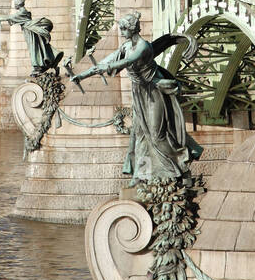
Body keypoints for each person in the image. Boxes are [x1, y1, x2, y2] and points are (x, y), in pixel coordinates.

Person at [71, 12, 202, 183]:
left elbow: (126, 62)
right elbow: (106, 61)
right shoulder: (126, 47)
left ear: (132, 29)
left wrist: (107, 66)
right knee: (140, 135)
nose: (121, 32)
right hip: (139, 93)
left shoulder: (143, 46)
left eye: (124, 29)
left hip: (154, 92)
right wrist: (82, 76)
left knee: (156, 134)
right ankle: (142, 174)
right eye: (121, 28)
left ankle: (180, 169)